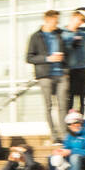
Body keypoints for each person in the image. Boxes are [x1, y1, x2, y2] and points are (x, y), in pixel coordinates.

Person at [27, 9, 71, 139]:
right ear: (47, 20)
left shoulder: (60, 34)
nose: (57, 23)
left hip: (61, 75)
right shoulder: (35, 37)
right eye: (55, 21)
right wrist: (48, 58)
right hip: (45, 76)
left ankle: (64, 135)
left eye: (58, 21)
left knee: (63, 106)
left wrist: (65, 67)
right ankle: (54, 135)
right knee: (49, 106)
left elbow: (67, 52)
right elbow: (29, 58)